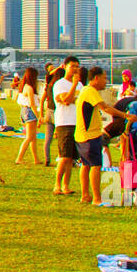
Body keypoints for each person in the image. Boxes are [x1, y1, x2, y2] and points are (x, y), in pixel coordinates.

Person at [75, 66, 137, 206]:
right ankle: (97, 199)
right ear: (96, 78)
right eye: (104, 78)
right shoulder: (90, 91)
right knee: (95, 166)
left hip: (81, 135)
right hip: (90, 136)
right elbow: (106, 108)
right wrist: (126, 115)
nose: (106, 81)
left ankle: (85, 195)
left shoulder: (86, 90)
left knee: (85, 165)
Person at [51, 58, 80, 195]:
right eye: (72, 66)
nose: (75, 69)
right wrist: (73, 86)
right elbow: (66, 100)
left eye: (77, 67)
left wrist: (74, 90)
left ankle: (66, 185)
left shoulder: (80, 85)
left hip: (77, 122)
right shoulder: (60, 84)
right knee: (64, 156)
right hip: (64, 122)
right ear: (65, 67)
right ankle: (57, 184)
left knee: (71, 158)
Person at [14, 66, 41, 165]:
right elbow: (32, 104)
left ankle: (36, 159)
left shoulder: (24, 86)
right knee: (29, 137)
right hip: (29, 111)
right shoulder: (29, 87)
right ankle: (19, 158)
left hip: (24, 111)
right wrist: (38, 116)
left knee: (33, 138)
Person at [40, 66, 61, 167]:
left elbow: (48, 75)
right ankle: (61, 158)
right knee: (62, 138)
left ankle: (47, 159)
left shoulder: (49, 85)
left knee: (48, 139)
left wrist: (41, 115)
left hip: (48, 111)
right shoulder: (60, 86)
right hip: (57, 113)